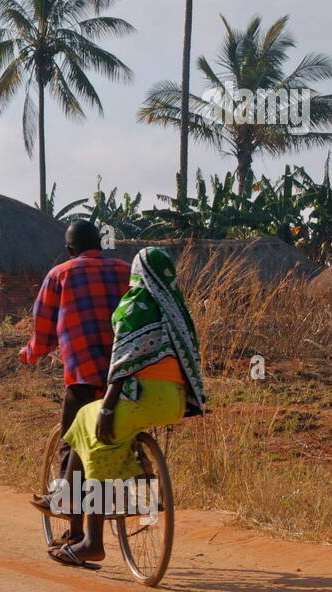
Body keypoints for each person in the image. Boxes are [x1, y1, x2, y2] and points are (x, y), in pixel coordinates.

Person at [45, 246, 206, 569]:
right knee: (118, 433)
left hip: (140, 396)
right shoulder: (176, 309)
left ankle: (88, 538)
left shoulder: (136, 304)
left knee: (86, 427)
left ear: (139, 273)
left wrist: (106, 405)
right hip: (174, 401)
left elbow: (123, 359)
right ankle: (139, 483)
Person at [19, 220, 131, 545]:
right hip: (127, 375)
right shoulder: (126, 270)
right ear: (101, 243)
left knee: (73, 442)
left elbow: (43, 334)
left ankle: (76, 532)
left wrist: (28, 355)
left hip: (85, 373)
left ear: (70, 249)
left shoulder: (61, 274)